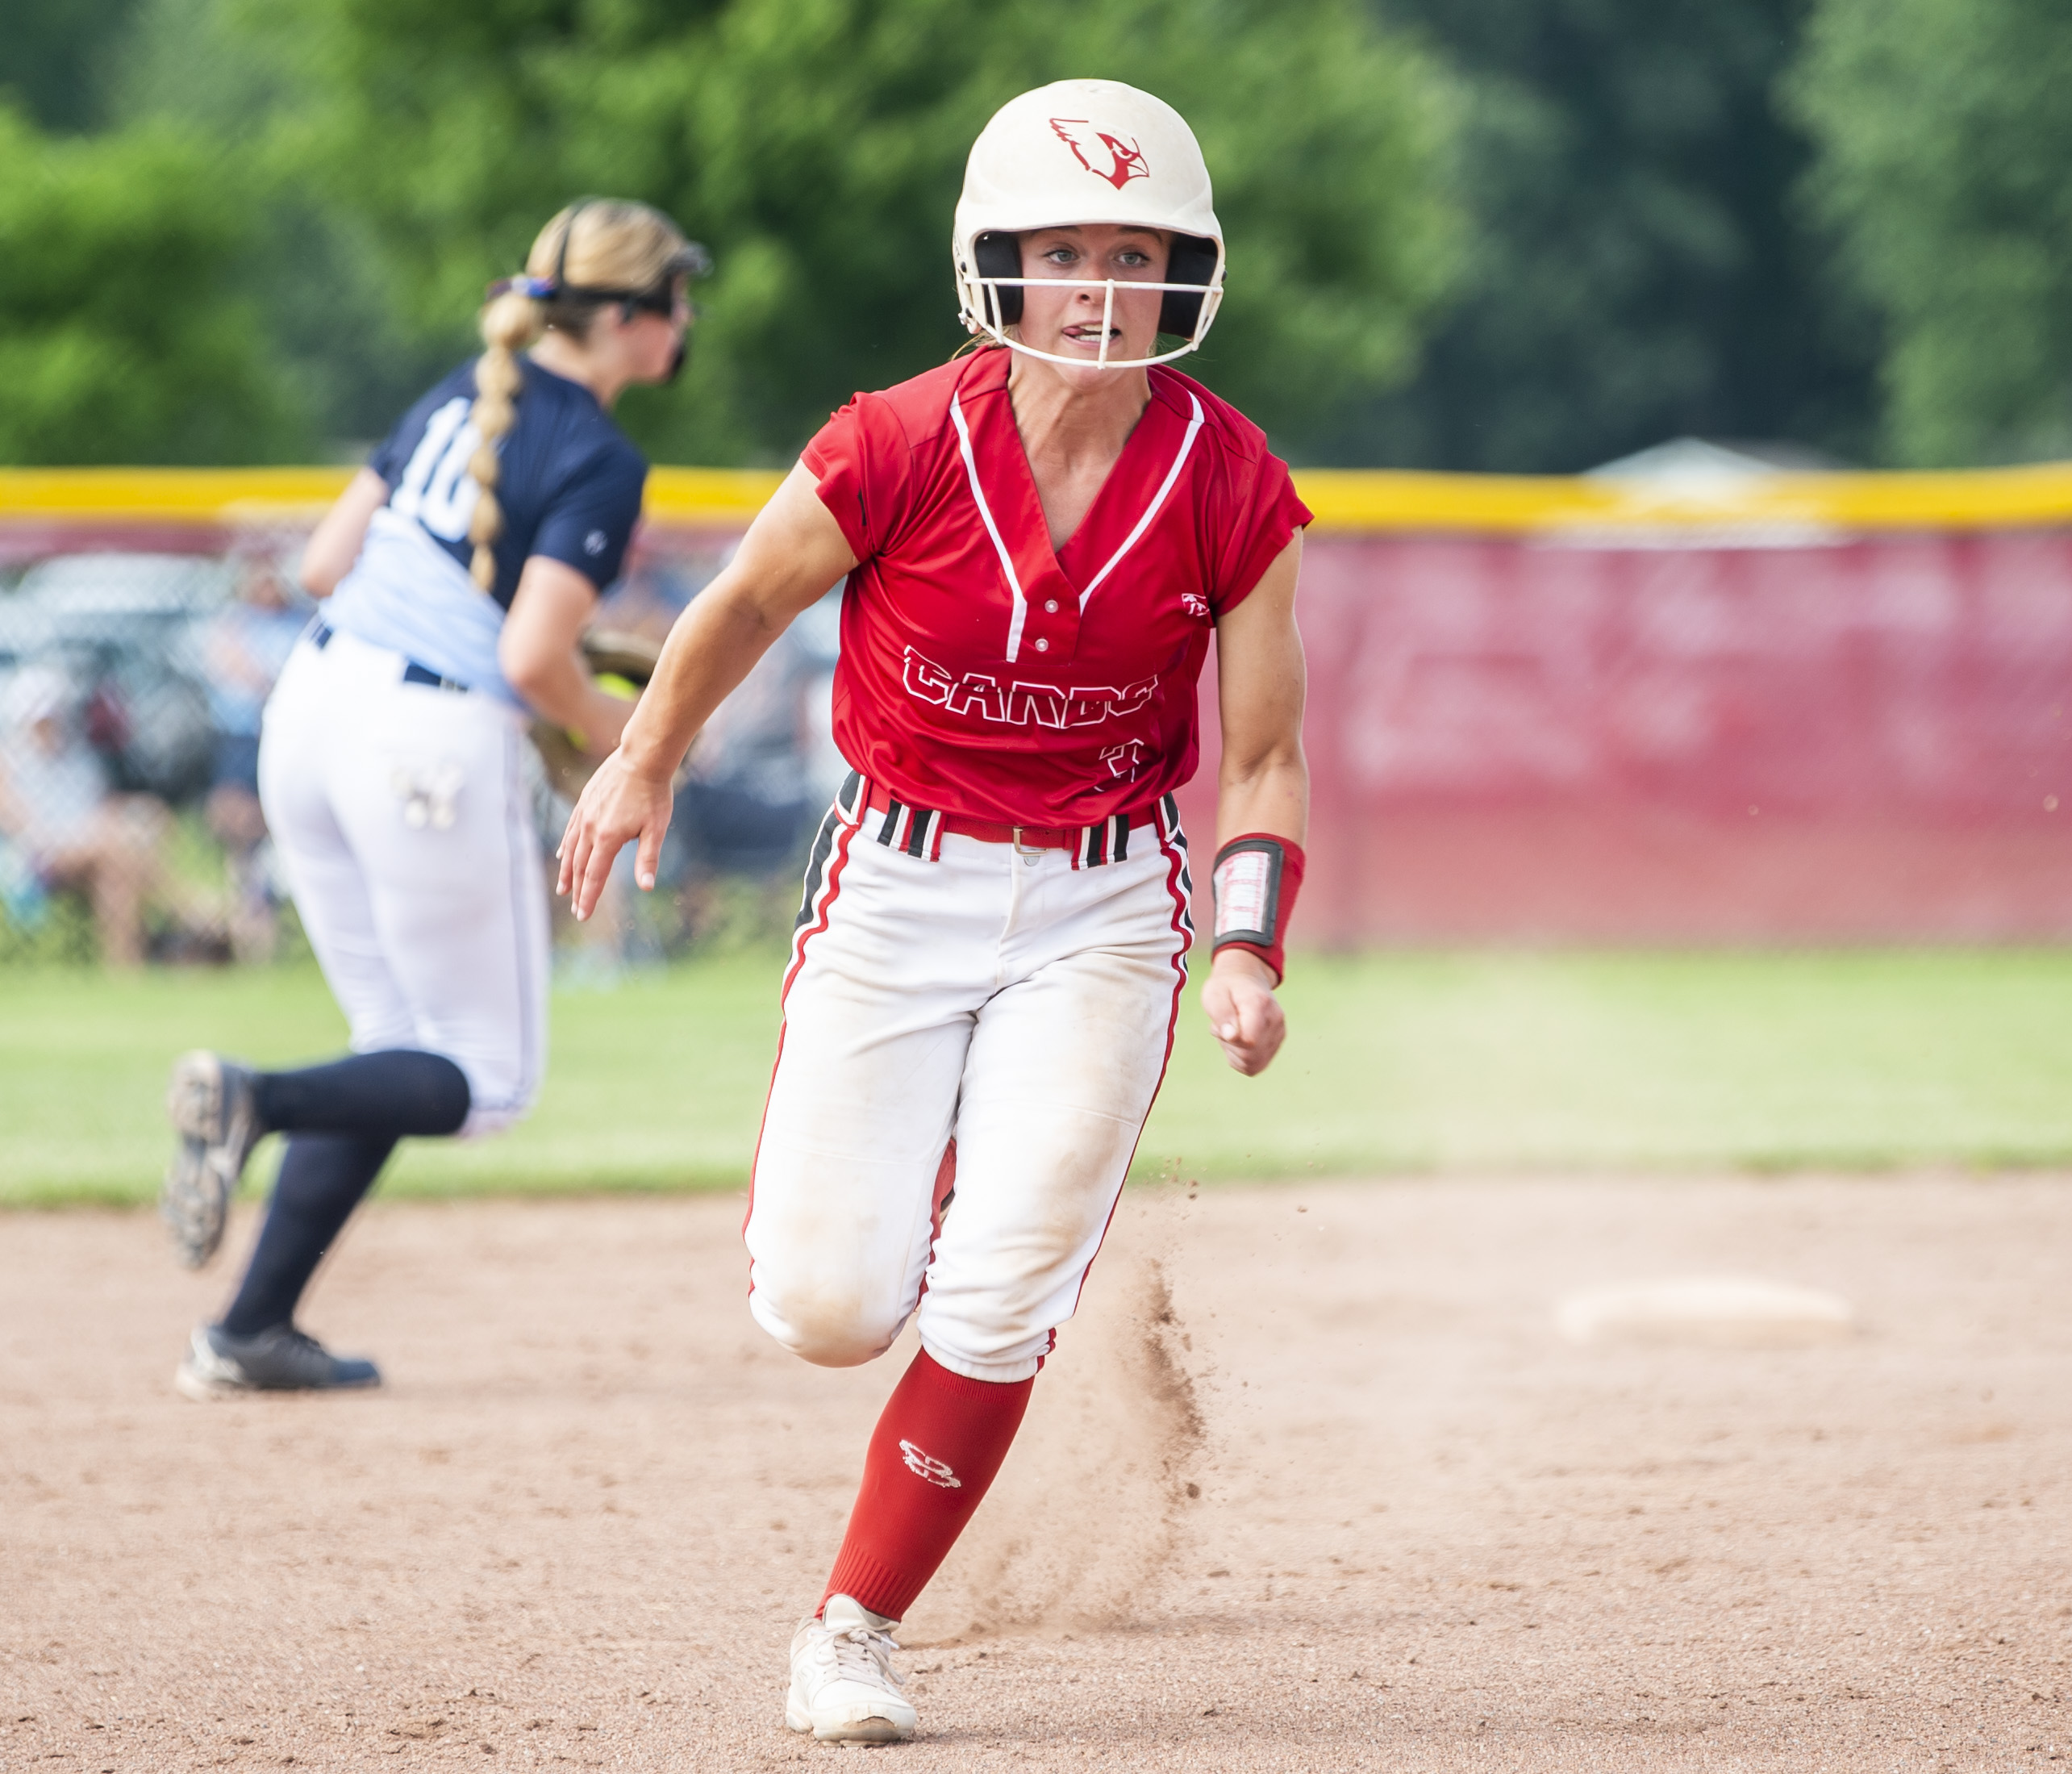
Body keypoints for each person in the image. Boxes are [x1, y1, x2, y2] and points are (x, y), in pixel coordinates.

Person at [557, 81, 1311, 1747]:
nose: (1101, 290)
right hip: (897, 882)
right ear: (998, 267)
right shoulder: (894, 439)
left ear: (1188, 272)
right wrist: (638, 762)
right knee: (829, 1305)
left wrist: (1247, 947)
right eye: (1065, 253)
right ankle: (957, 1179)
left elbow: (1259, 757)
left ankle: (852, 1626)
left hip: (1106, 908)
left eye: (1136, 251)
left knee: (999, 1287)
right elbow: (743, 598)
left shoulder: (1229, 481)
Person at [159, 198, 709, 1399]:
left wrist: (558, 658)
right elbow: (529, 663)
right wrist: (632, 734)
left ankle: (251, 1327)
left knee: (398, 1048)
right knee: (487, 1078)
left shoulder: (465, 390)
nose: (684, 320)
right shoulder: (601, 456)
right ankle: (254, 1097)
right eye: (674, 296)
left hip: (309, 710)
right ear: (625, 319)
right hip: (425, 742)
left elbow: (319, 566)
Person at [0, 662, 200, 966]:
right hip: (34, 862)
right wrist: (93, 831)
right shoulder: (10, 763)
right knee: (116, 846)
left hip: (95, 847)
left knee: (118, 867)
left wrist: (139, 812)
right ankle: (194, 911)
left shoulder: (77, 758)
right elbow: (30, 833)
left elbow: (102, 806)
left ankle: (126, 970)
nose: (48, 725)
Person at [193, 540, 314, 959]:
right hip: (243, 737)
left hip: (291, 734)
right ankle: (247, 930)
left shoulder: (301, 620)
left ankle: (288, 927)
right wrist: (270, 685)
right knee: (238, 826)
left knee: (286, 827)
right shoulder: (233, 623)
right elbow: (234, 669)